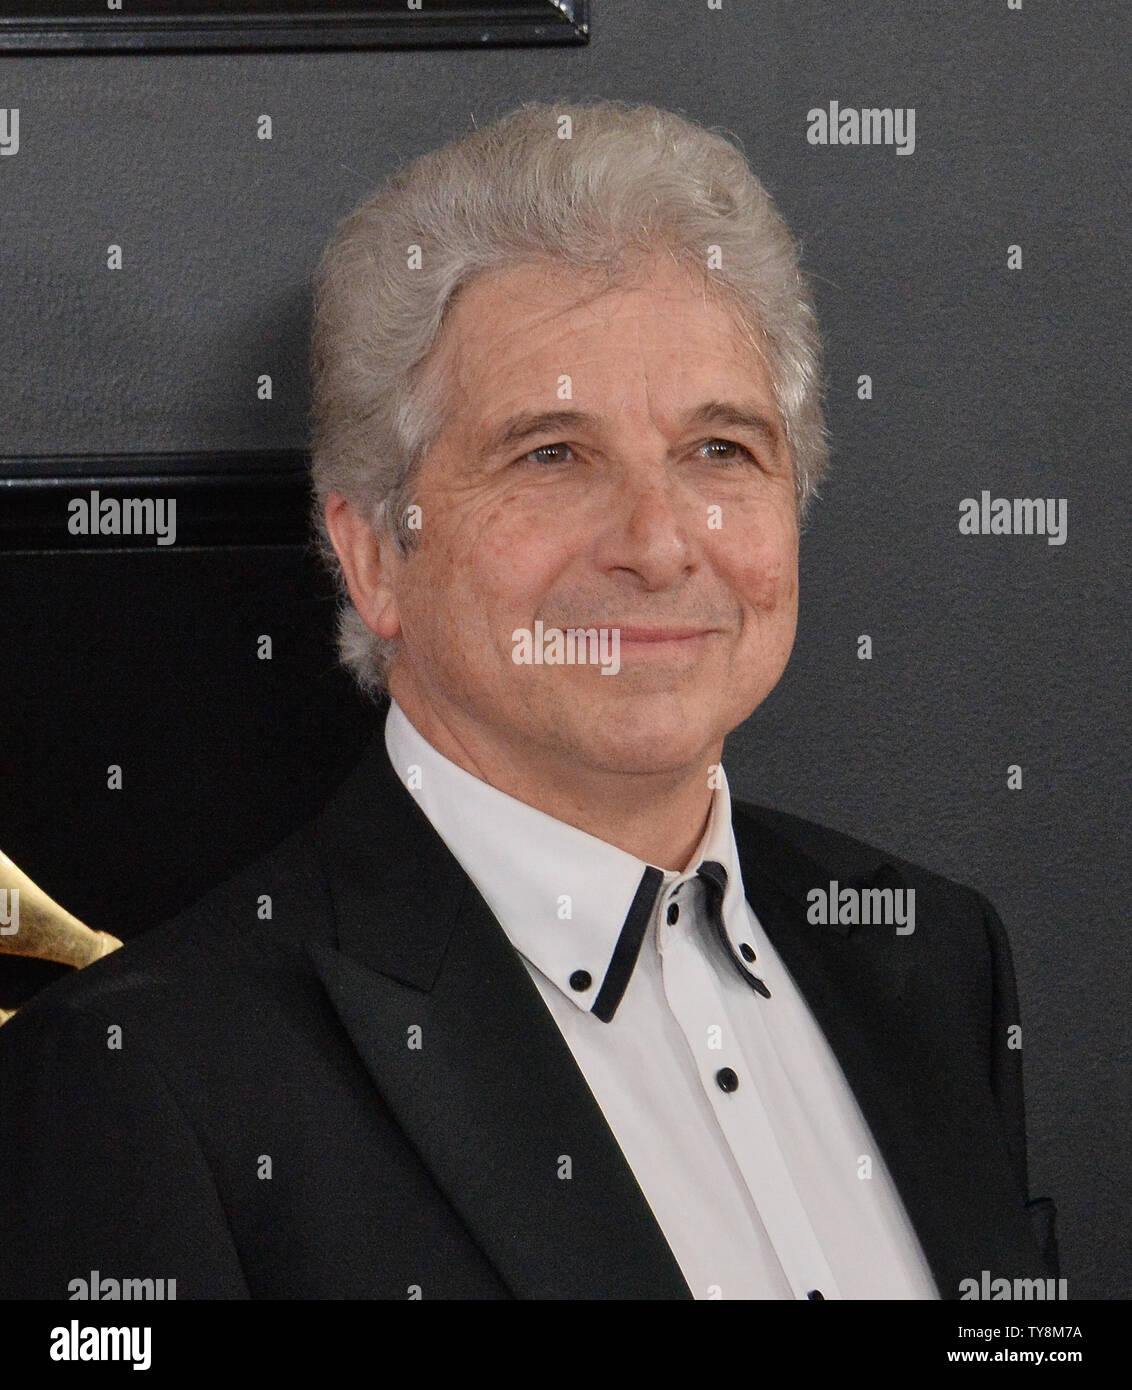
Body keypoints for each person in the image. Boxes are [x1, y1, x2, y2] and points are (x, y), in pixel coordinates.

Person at [0, 101, 1057, 1300]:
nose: (659, 546)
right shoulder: (148, 1077)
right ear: (374, 556)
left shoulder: (931, 958)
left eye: (720, 450)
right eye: (551, 454)